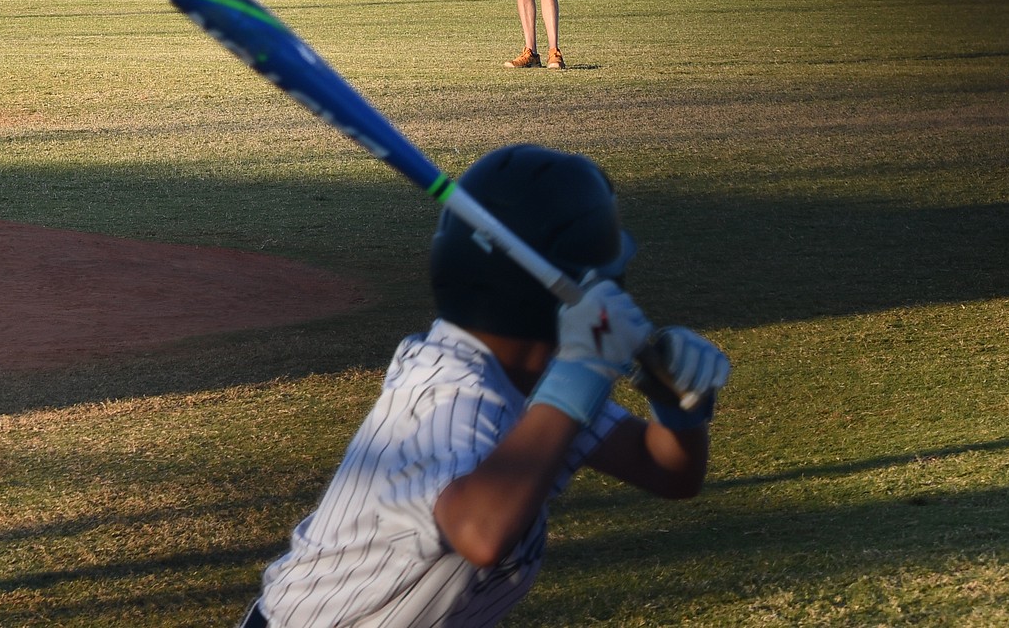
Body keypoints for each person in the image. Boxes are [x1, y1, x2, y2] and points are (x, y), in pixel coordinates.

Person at [242, 144, 730, 628]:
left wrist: (675, 407)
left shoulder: (530, 384)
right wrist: (584, 372)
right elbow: (479, 532)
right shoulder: (449, 394)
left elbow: (667, 473)